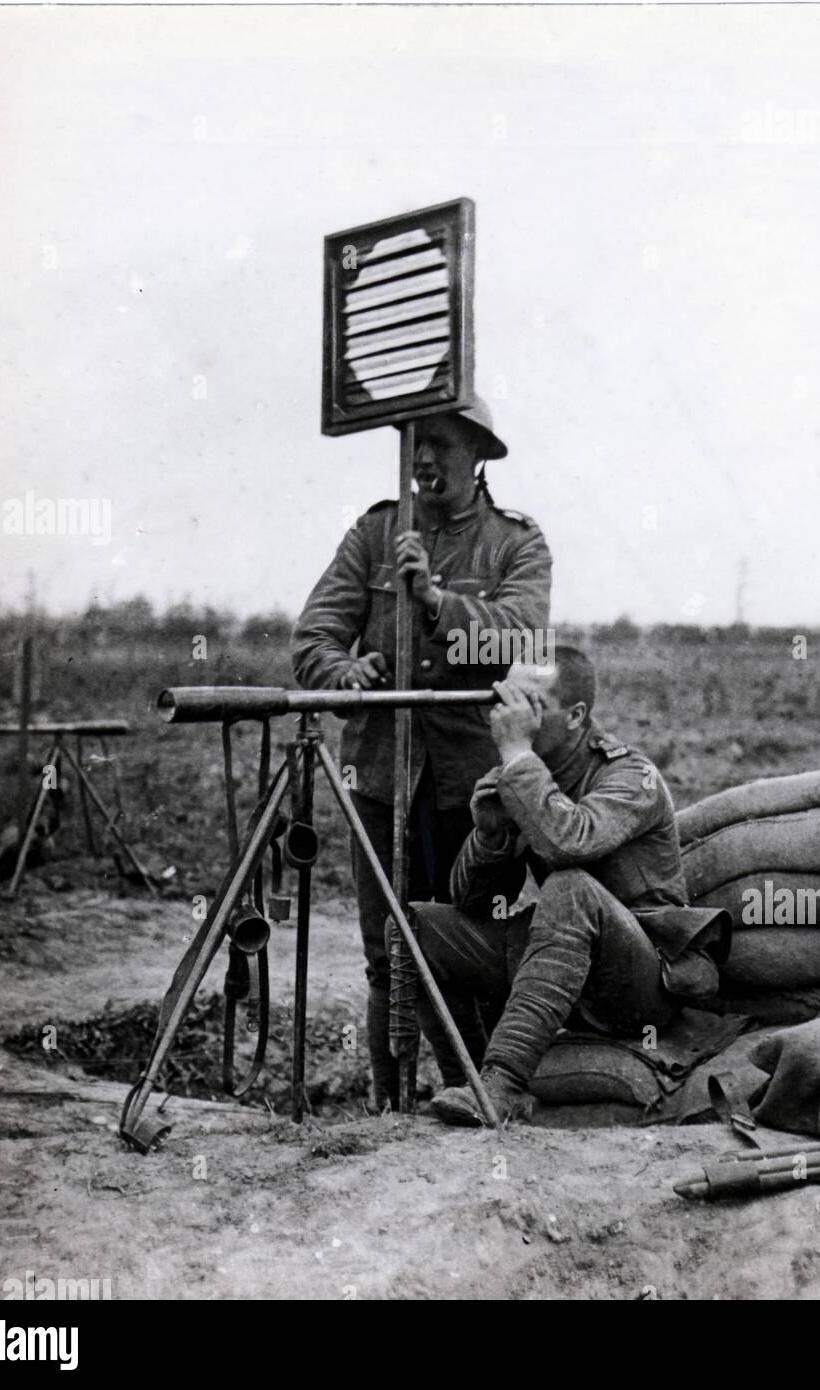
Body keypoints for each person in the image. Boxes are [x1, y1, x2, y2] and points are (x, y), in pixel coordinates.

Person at [291, 397, 552, 1109]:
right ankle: (388, 1114)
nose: (425, 459)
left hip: (477, 793)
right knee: (388, 955)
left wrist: (436, 603)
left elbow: (521, 640)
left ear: (478, 455)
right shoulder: (375, 533)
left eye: (439, 443)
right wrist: (344, 675)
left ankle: (484, 1096)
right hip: (382, 780)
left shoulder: (514, 544)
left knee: (476, 946)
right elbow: (312, 639)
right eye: (414, 445)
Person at [409, 647, 729, 1126]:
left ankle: (503, 1085)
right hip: (562, 957)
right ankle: (470, 1079)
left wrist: (518, 760)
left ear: (577, 715)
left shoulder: (630, 775)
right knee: (418, 927)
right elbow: (473, 903)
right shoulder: (532, 772)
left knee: (569, 887)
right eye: (508, 701)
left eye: (530, 704)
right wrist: (490, 837)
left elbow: (570, 843)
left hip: (642, 976)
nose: (514, 719)